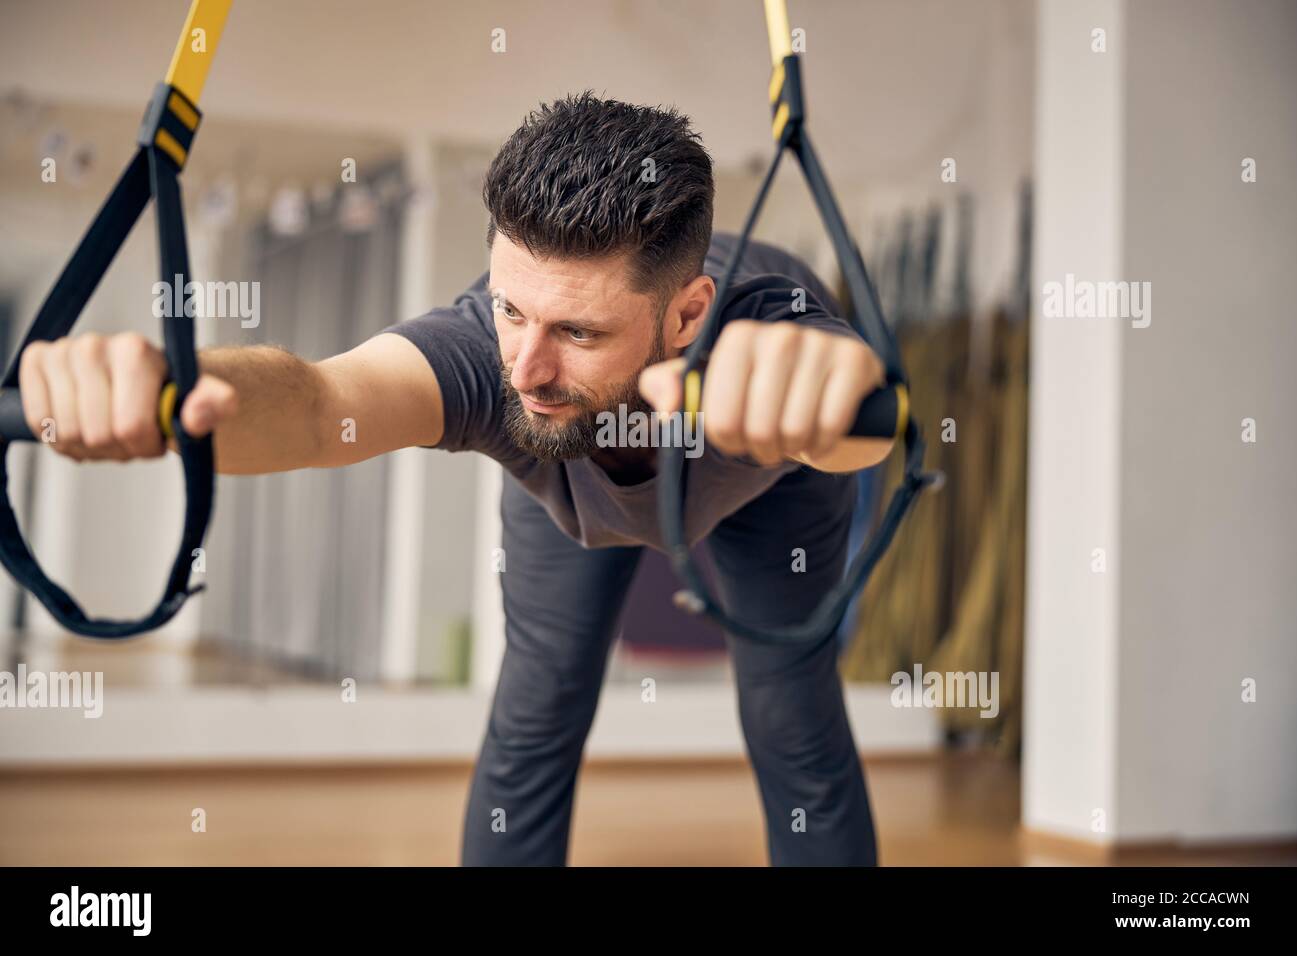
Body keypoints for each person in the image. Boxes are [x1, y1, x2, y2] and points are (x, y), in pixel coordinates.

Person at [17, 93, 894, 866]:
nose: (526, 368)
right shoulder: (490, 354)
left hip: (771, 493)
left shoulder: (771, 327)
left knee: (794, 718)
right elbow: (323, 405)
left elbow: (861, 420)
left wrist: (830, 399)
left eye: (578, 334)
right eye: (513, 311)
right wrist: (172, 390)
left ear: (687, 317)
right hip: (571, 496)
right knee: (535, 708)